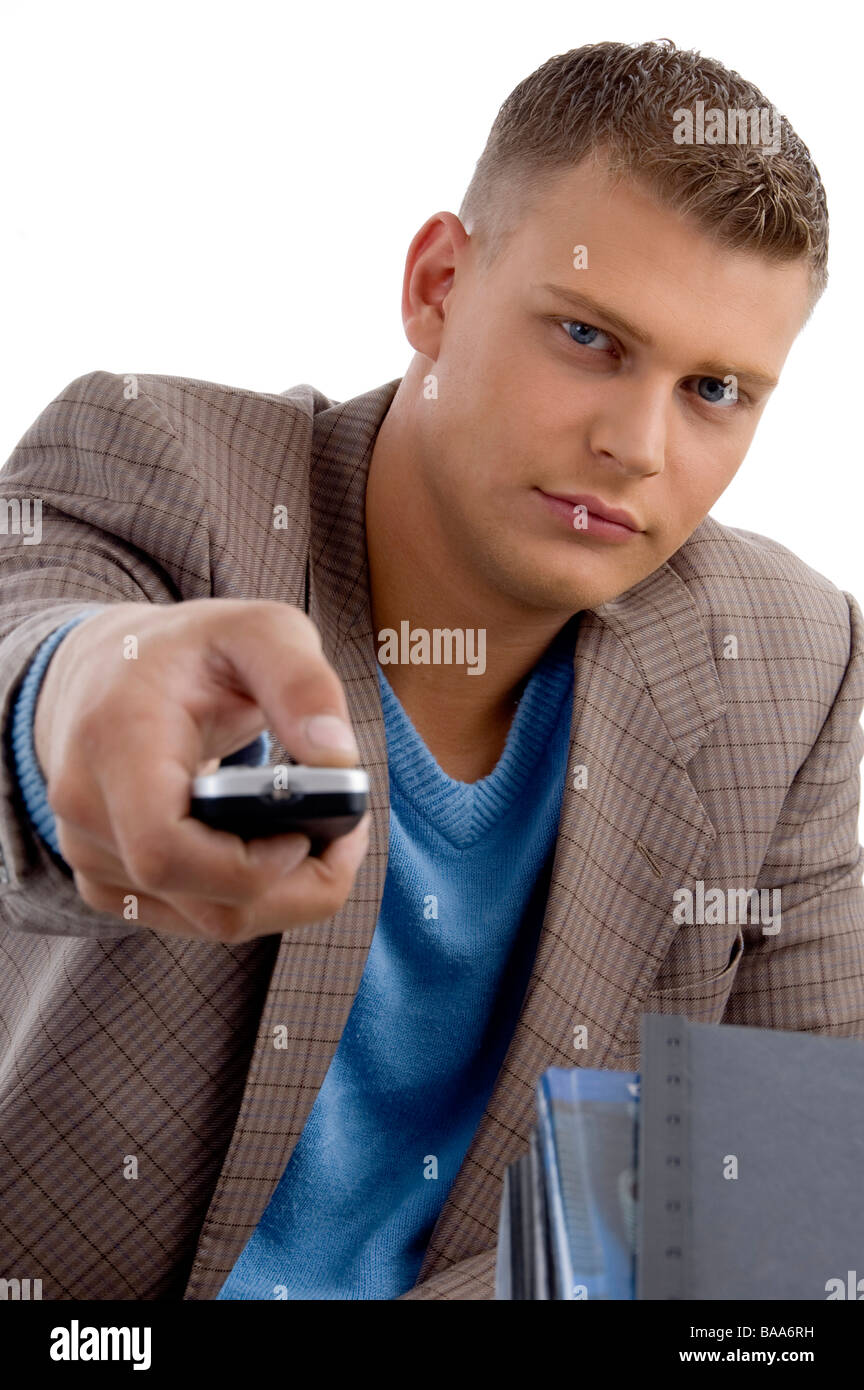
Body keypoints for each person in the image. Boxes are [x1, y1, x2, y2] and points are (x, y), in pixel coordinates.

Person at [0, 38, 861, 1302]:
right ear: (439, 284)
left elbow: (792, 1212)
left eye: (715, 389)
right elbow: (30, 642)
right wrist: (74, 704)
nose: (635, 445)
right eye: (588, 336)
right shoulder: (163, 462)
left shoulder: (795, 662)